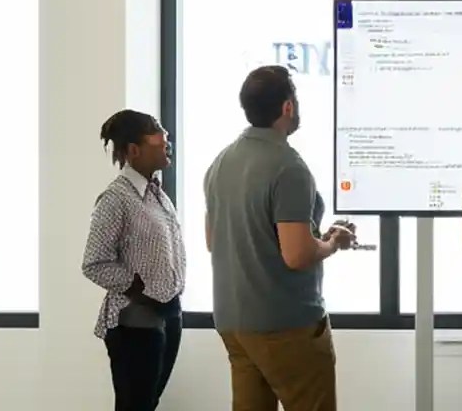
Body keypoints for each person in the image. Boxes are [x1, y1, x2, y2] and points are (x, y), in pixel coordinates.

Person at [205, 65, 356, 411]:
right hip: (285, 324)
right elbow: (296, 254)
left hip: (234, 323)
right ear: (287, 107)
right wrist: (333, 242)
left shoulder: (220, 163)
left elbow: (214, 240)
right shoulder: (289, 167)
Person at [82, 110, 186, 411]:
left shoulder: (157, 194)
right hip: (134, 321)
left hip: (167, 315)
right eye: (156, 131)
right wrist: (138, 289)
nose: (166, 138)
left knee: (147, 404)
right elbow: (94, 262)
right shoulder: (115, 198)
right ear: (133, 150)